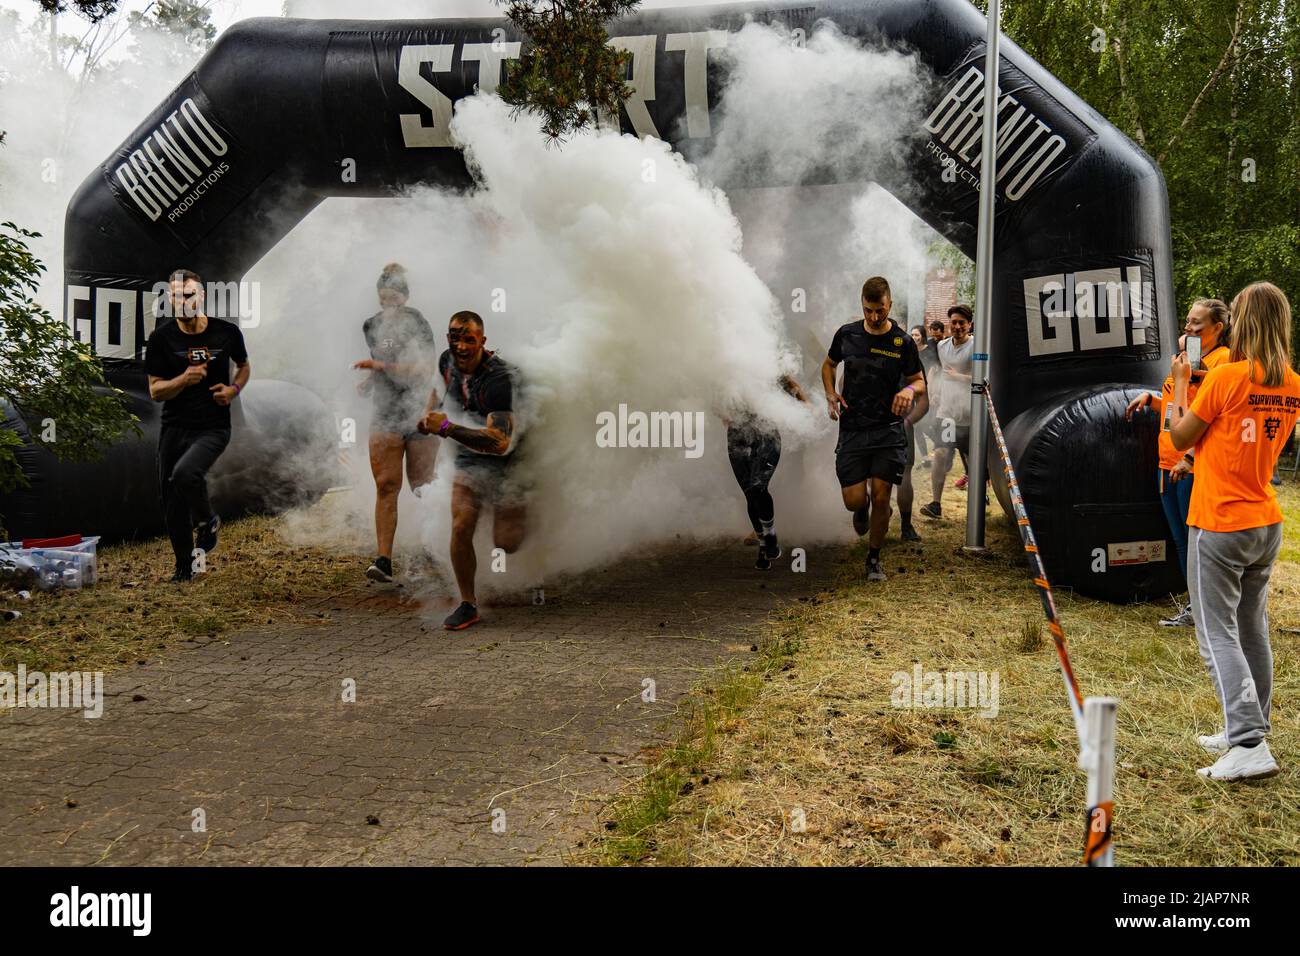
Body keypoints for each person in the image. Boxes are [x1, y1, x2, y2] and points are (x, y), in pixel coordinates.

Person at [1169, 282, 1300, 782]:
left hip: (1221, 521)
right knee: (1251, 630)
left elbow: (1181, 435)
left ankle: (1248, 743)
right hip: (1265, 520)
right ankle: (1246, 725)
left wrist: (1182, 383)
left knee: (1217, 632)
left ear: (1241, 321)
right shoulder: (1292, 382)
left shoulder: (1225, 377)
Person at [1123, 299, 1230, 626]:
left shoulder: (1221, 363)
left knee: (1196, 542)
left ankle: (1203, 609)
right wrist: (1155, 401)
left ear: (1217, 329)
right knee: (1182, 541)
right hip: (1166, 461)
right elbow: (1179, 409)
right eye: (1187, 322)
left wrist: (1189, 456)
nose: (1188, 329)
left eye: (1197, 324)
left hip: (1191, 463)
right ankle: (1194, 604)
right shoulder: (1186, 361)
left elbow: (1212, 415)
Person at [419, 311, 524, 631]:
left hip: (509, 458)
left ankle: (520, 510)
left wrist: (447, 428)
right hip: (468, 456)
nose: (461, 346)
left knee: (507, 543)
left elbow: (500, 443)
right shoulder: (446, 360)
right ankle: (468, 604)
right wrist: (429, 415)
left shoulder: (498, 379)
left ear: (483, 342)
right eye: (455, 338)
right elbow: (439, 388)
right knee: (462, 523)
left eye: (469, 340)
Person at [144, 269, 250, 583]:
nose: (183, 301)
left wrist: (234, 390)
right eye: (176, 296)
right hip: (174, 427)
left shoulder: (226, 332)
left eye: (188, 295)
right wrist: (183, 379)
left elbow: (243, 366)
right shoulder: (161, 338)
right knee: (171, 498)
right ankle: (184, 567)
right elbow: (155, 390)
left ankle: (207, 522)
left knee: (186, 474)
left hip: (213, 427)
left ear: (201, 296)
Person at [821, 276, 925, 581]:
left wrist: (909, 391)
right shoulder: (846, 334)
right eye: (868, 310)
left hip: (888, 431)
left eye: (880, 310)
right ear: (862, 306)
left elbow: (919, 381)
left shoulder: (903, 342)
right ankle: (861, 508)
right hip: (853, 428)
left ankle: (874, 559)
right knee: (855, 500)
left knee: (882, 497)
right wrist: (830, 393)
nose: (875, 317)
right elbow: (828, 365)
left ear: (889, 304)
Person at [353, 263, 438, 584]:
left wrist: (379, 365)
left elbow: (424, 370)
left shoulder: (418, 322)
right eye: (383, 299)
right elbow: (383, 368)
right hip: (385, 413)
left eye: (394, 299)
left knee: (423, 487)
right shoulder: (370, 325)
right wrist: (371, 380)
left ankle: (434, 549)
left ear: (404, 298)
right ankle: (384, 560)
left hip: (418, 413)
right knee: (387, 485)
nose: (389, 305)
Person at [725, 374, 809, 570]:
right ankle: (763, 545)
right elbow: (716, 399)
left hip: (766, 432)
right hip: (737, 435)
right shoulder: (725, 363)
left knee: (758, 487)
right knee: (749, 493)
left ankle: (770, 536)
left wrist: (805, 406)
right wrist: (723, 410)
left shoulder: (765, 359)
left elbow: (790, 382)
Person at [920, 304, 973, 518]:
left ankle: (978, 498)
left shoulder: (977, 345)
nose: (958, 326)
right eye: (954, 322)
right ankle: (935, 504)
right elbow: (941, 372)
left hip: (971, 415)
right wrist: (935, 391)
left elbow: (986, 378)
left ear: (969, 324)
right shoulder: (942, 346)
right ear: (949, 324)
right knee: (941, 453)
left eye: (962, 322)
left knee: (972, 462)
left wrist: (959, 377)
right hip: (948, 413)